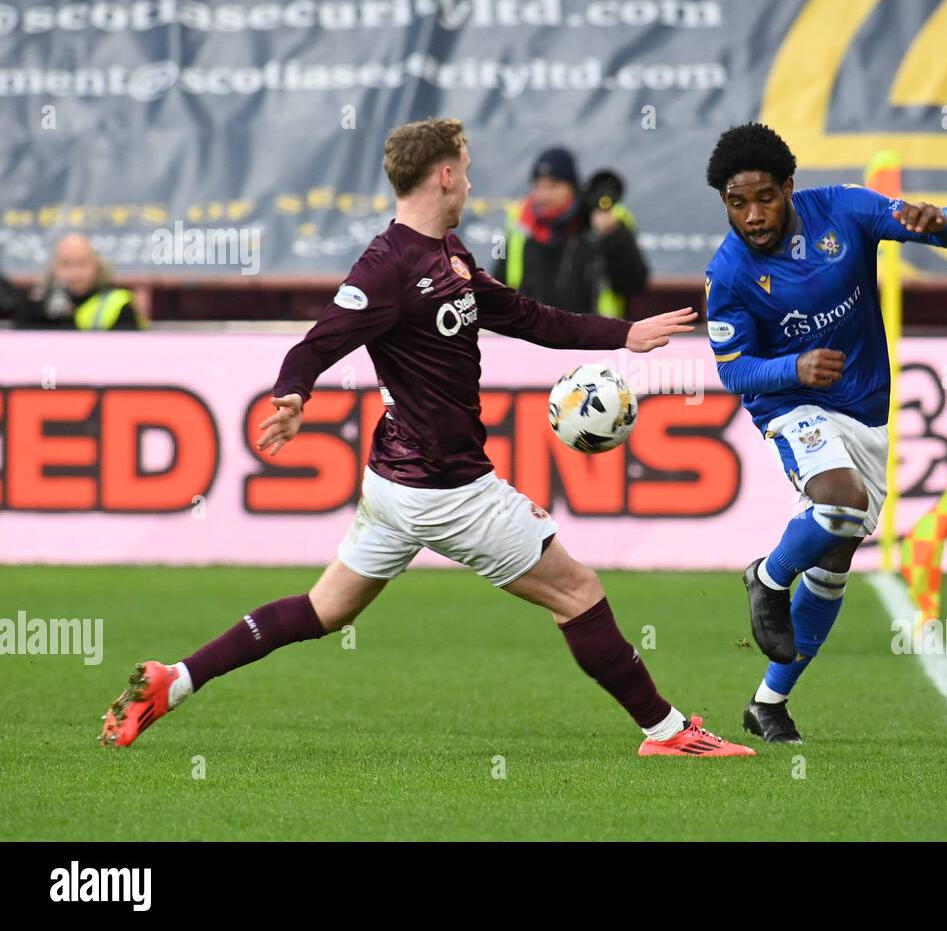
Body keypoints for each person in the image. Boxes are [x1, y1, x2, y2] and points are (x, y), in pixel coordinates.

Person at [100, 117, 753, 758]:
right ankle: (668, 733)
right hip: (446, 489)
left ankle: (173, 682)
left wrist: (623, 334)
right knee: (577, 591)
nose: (470, 182)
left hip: (395, 484)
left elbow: (525, 316)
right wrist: (292, 393)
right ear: (444, 174)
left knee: (326, 610)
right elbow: (319, 341)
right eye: (465, 169)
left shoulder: (451, 255)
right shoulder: (385, 268)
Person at [703, 122, 947, 743]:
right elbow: (734, 371)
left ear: (789, 188)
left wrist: (941, 220)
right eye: (737, 203)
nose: (753, 215)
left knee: (838, 552)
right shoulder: (730, 274)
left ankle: (769, 702)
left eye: (764, 197)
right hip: (791, 404)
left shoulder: (844, 209)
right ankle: (767, 577)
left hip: (866, 406)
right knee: (840, 500)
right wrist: (792, 367)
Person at [495, 147, 648, 315]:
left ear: (572, 187)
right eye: (538, 186)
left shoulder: (604, 222)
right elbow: (499, 285)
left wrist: (613, 236)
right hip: (530, 336)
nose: (543, 195)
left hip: (597, 336)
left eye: (552, 186)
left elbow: (633, 283)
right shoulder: (521, 223)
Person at [15, 233, 144, 330]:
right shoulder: (36, 305)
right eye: (66, 264)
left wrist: (70, 322)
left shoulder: (119, 304)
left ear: (97, 266)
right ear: (53, 268)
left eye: (82, 263)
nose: (74, 272)